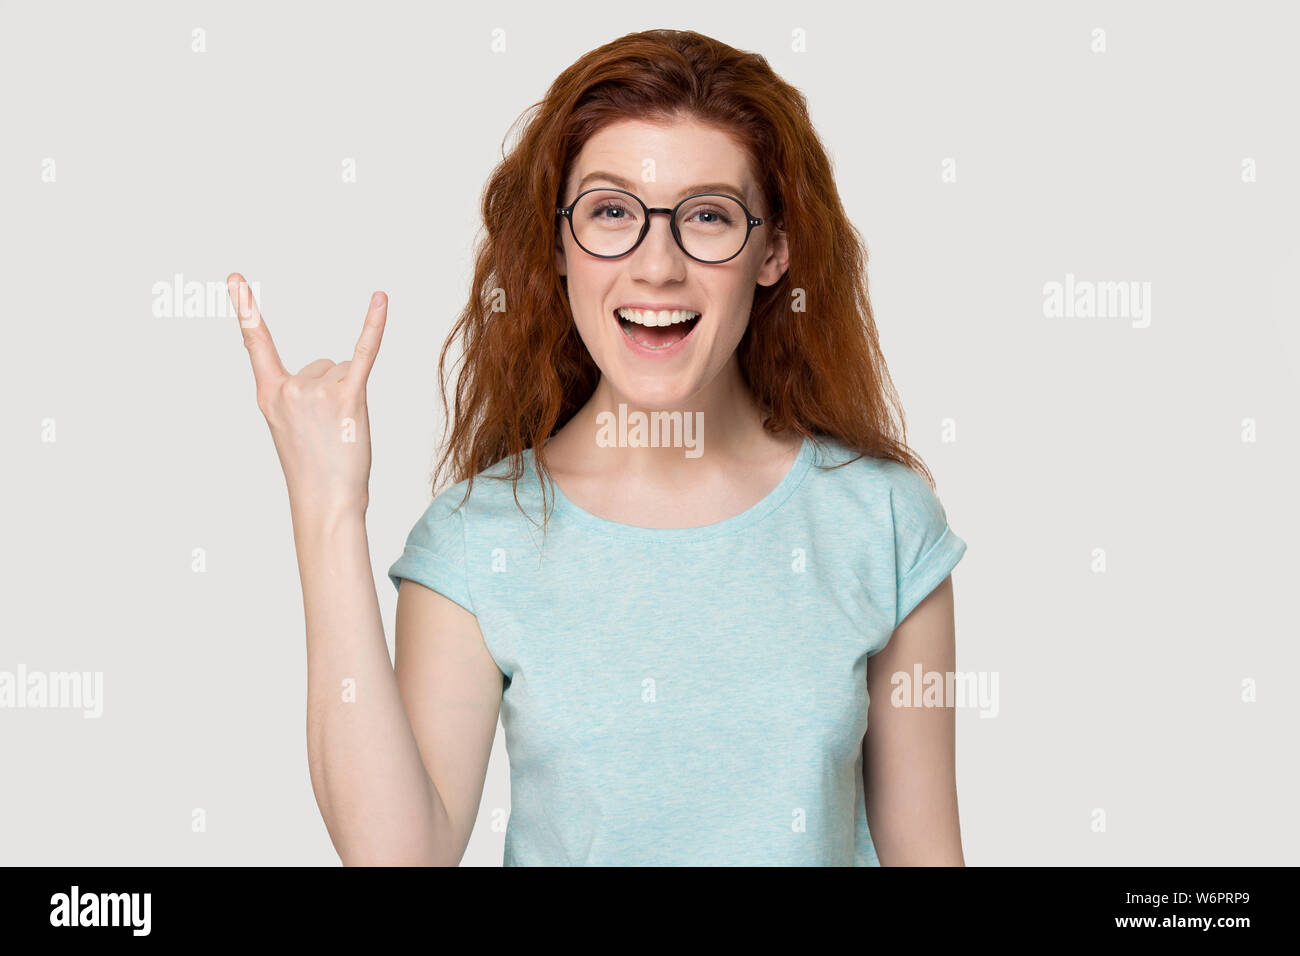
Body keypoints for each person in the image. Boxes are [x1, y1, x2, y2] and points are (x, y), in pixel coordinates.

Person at [228, 28, 967, 866]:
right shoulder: (477, 541)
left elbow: (927, 854)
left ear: (774, 250)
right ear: (556, 246)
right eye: (611, 212)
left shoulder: (884, 523)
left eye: (708, 216)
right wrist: (326, 508)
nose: (658, 267)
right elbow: (398, 856)